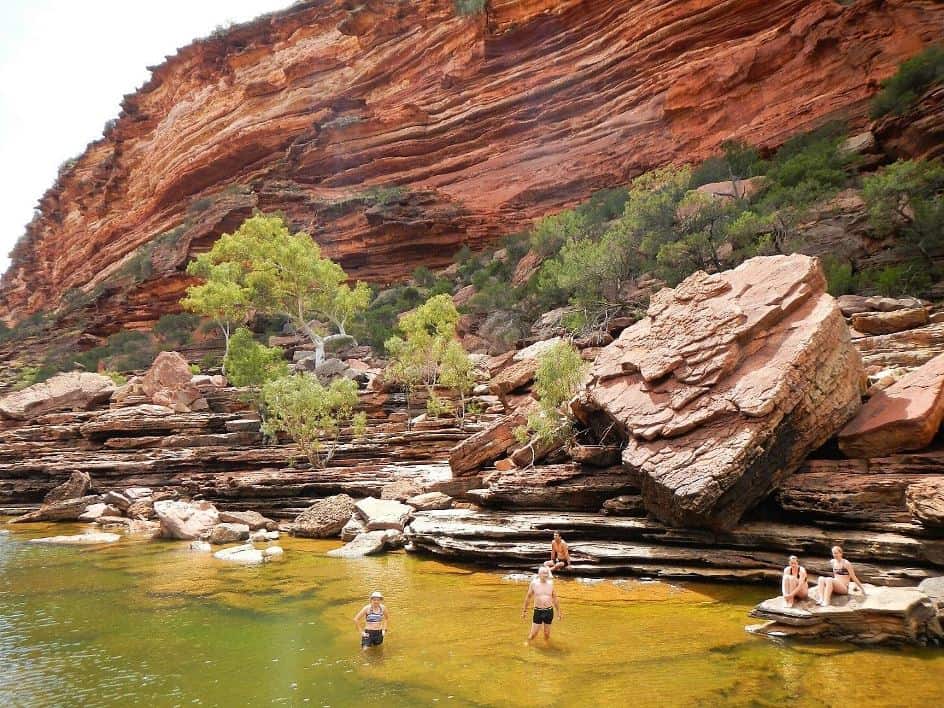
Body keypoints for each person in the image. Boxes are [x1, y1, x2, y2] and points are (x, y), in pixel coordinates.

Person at [521, 566, 562, 641]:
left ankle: (546, 645)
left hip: (549, 611)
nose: (546, 575)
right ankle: (528, 643)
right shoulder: (534, 584)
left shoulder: (551, 584)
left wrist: (558, 612)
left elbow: (555, 598)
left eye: (547, 573)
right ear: (539, 574)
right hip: (538, 611)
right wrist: (524, 611)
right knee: (534, 634)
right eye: (544, 573)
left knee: (547, 634)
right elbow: (528, 597)